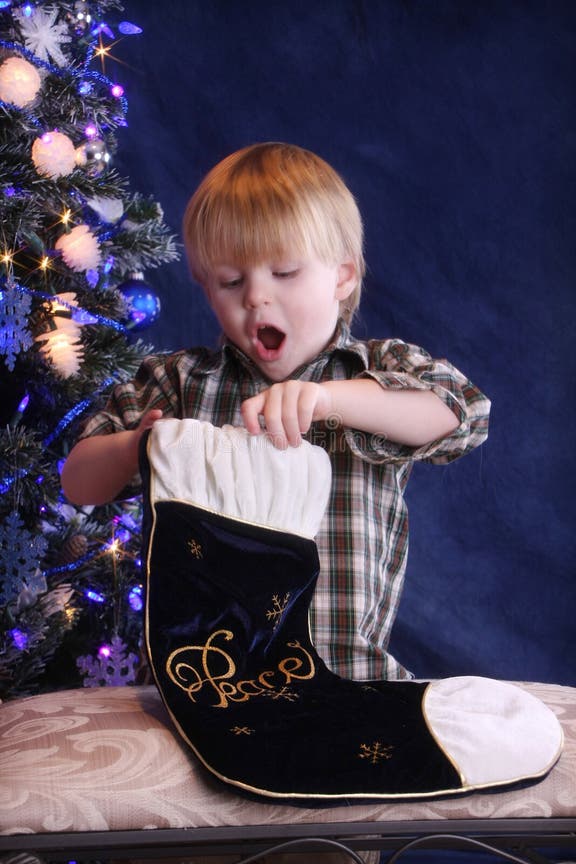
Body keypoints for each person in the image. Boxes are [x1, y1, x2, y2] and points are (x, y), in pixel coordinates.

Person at [62, 141, 490, 684]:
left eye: (284, 272)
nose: (257, 299)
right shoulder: (179, 382)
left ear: (342, 277)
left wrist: (334, 400)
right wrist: (137, 445)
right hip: (202, 682)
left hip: (344, 677)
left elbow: (462, 415)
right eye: (231, 282)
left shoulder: (381, 367)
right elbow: (77, 483)